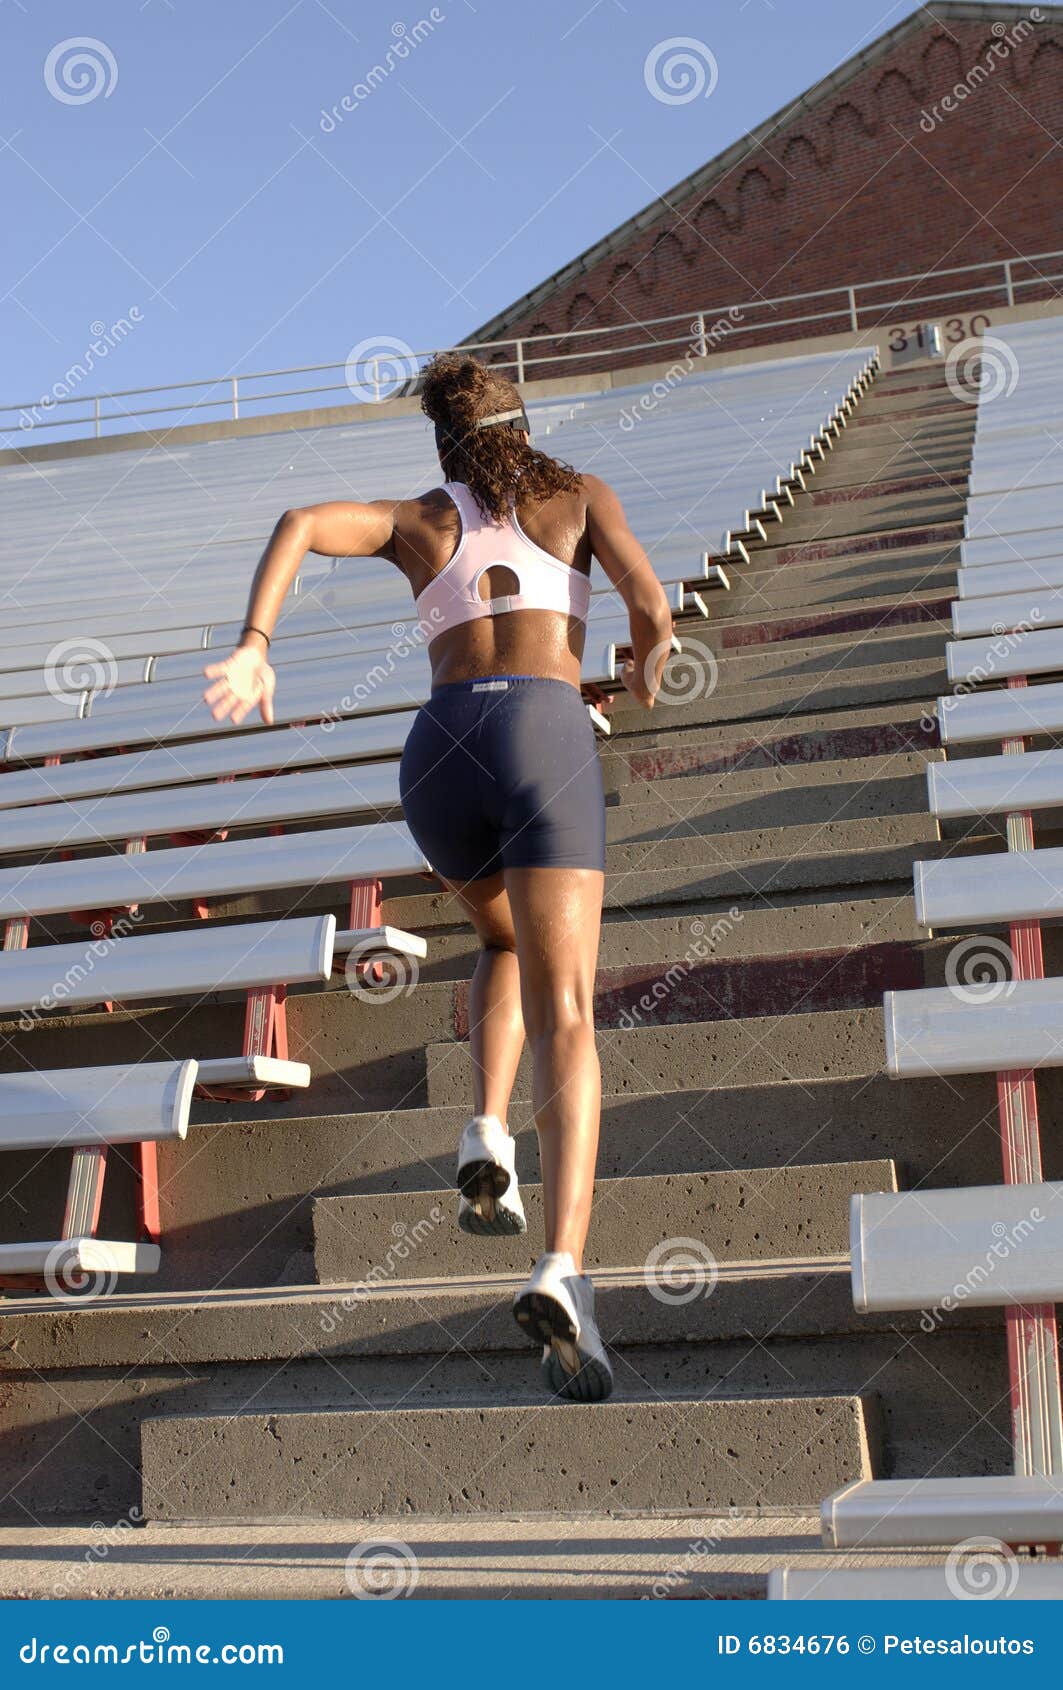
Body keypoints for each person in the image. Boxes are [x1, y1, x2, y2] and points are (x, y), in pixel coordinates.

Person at [203, 354, 672, 1401]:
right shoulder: (579, 496)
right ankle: (564, 1268)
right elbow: (651, 601)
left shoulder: (419, 519)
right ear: (523, 424)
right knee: (569, 1012)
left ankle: (485, 1129)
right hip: (542, 733)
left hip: (439, 752)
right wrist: (642, 659)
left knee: (500, 939)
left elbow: (296, 521)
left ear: (445, 444)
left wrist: (254, 646)